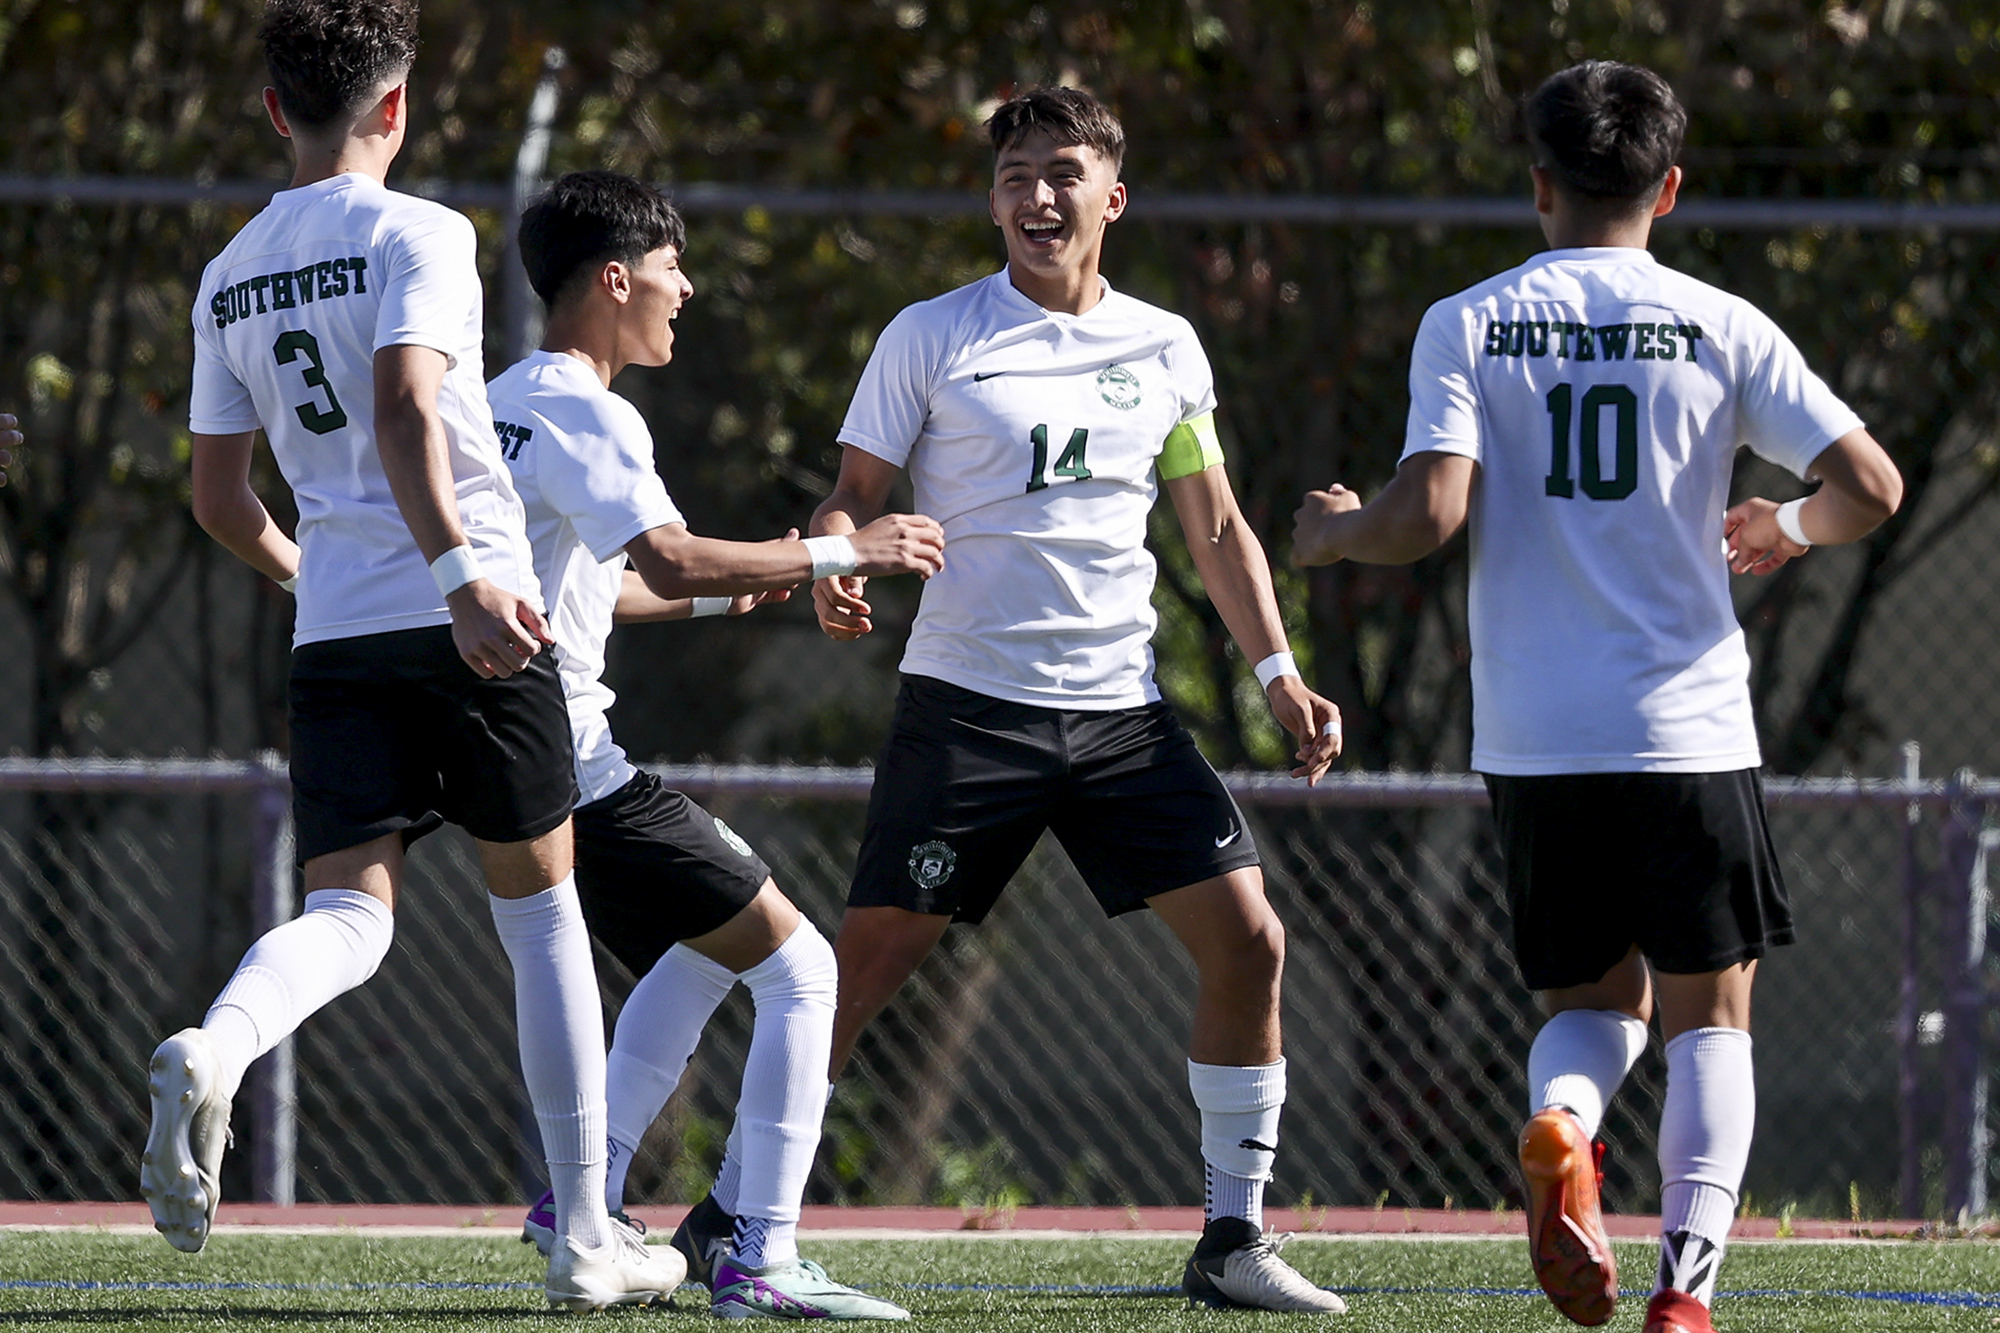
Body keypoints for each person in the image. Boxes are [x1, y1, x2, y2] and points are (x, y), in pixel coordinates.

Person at [1290, 60, 1903, 1333]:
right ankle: (1683, 1292)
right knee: (1709, 1013)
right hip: (1685, 727)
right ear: (1667, 187)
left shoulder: (1467, 318)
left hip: (1535, 735)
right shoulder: (1720, 323)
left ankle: (1562, 1125)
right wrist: (1785, 523)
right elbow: (1873, 487)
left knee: (1587, 1001)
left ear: (1536, 187)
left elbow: (1429, 515)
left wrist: (1335, 535)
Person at [147, 0, 684, 1310]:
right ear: (393, 109)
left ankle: (220, 1044)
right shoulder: (423, 230)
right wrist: (457, 583)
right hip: (474, 621)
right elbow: (403, 410)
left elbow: (220, 499)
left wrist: (314, 574)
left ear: (278, 109)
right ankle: (584, 1243)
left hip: (337, 637)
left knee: (348, 917)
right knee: (543, 916)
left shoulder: (228, 272)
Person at [804, 87, 1347, 1315]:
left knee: (1251, 940)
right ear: (990, 196)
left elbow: (1211, 523)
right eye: (1013, 174)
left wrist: (1277, 674)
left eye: (1060, 174)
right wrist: (834, 568)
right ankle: (743, 1209)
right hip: (968, 706)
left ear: (1111, 196)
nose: (1033, 196)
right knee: (863, 967)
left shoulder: (1162, 346)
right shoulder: (930, 334)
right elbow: (848, 496)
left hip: (1121, 716)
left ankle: (1232, 1235)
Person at [489, 170, 942, 1321]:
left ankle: (573, 1201)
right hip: (576, 763)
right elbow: (677, 552)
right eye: (671, 266)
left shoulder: (498, 401)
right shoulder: (590, 408)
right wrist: (843, 553)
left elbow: (591, 587)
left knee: (702, 952)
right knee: (802, 968)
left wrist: (713, 599)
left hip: (522, 760)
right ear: (613, 277)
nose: (683, 289)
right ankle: (758, 1254)